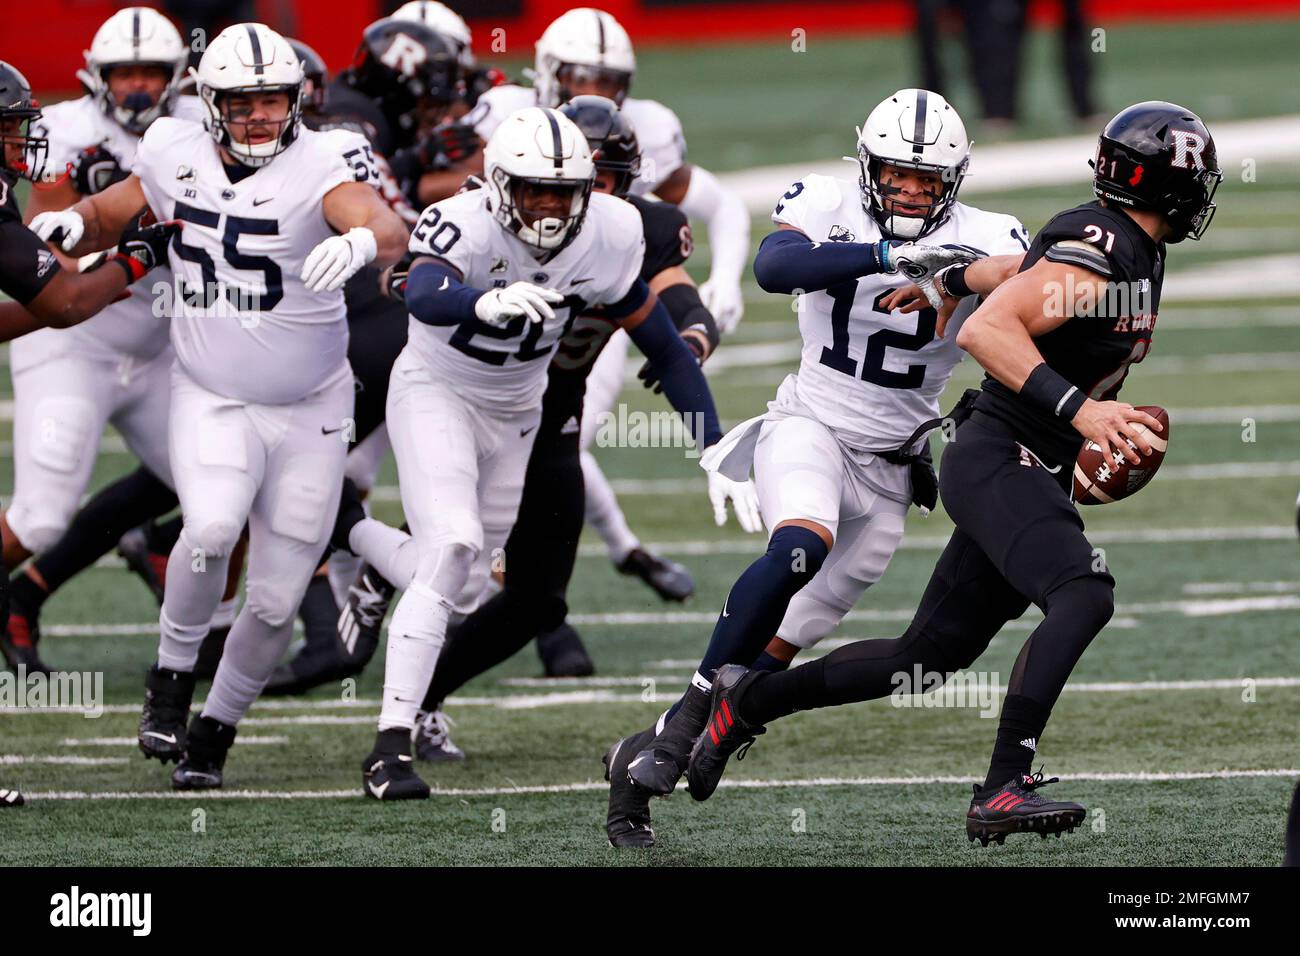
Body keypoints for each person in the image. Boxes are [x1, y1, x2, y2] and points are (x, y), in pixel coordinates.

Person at [684, 102, 1221, 849]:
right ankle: (1003, 786)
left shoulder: (1130, 246)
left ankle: (745, 706)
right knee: (1083, 594)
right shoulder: (1103, 246)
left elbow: (1013, 274)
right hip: (1000, 454)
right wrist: (1086, 414)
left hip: (1030, 462)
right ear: (1178, 188)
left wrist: (949, 278)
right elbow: (988, 328)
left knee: (925, 658)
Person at [606, 88, 1030, 848]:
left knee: (786, 640)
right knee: (801, 545)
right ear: (868, 167)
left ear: (953, 183)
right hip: (810, 424)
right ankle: (687, 725)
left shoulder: (987, 232)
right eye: (895, 174)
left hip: (893, 467)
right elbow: (775, 265)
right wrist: (891, 254)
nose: (907, 190)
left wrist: (969, 273)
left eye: (925, 180)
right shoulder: (832, 203)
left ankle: (666, 738)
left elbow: (1031, 281)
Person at [31, 22, 409, 790]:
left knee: (272, 604)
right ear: (209, 103)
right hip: (209, 392)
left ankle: (216, 728)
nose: (261, 116)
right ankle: (170, 677)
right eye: (242, 103)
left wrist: (366, 245)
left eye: (272, 100)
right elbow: (128, 204)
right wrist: (80, 221)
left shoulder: (323, 161)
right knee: (207, 529)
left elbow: (381, 219)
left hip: (311, 406)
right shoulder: (174, 147)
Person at [360, 105, 752, 800]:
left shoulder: (613, 230)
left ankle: (357, 537)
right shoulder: (466, 219)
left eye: (562, 190)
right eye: (532, 189)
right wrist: (480, 302)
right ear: (500, 184)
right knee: (451, 550)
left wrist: (713, 446)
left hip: (520, 412)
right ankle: (390, 749)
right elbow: (422, 290)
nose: (547, 205)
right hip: (438, 392)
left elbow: (659, 338)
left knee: (472, 583)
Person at [0, 8, 199, 672]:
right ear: (98, 77)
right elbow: (44, 243)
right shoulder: (64, 131)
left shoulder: (200, 126)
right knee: (40, 518)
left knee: (220, 491)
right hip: (71, 341)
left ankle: (202, 648)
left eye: (151, 73)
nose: (139, 86)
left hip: (161, 338)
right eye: (125, 73)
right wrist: (129, 240)